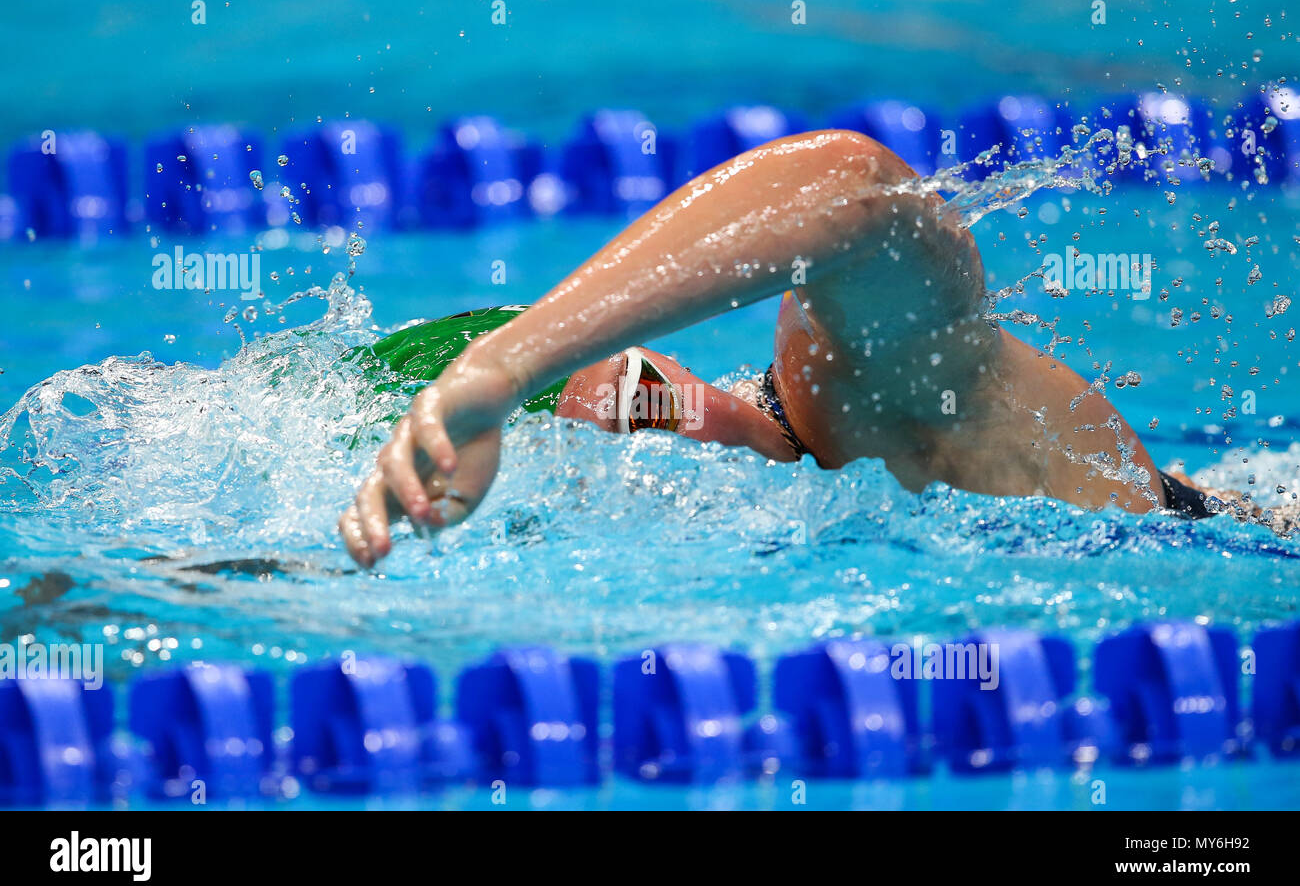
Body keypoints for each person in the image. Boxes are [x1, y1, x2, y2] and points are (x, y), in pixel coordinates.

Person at [338, 129, 1224, 567]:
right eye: (627, 429)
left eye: (645, 380)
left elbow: (855, 184)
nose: (669, 416)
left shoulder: (867, 392)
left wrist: (506, 370)